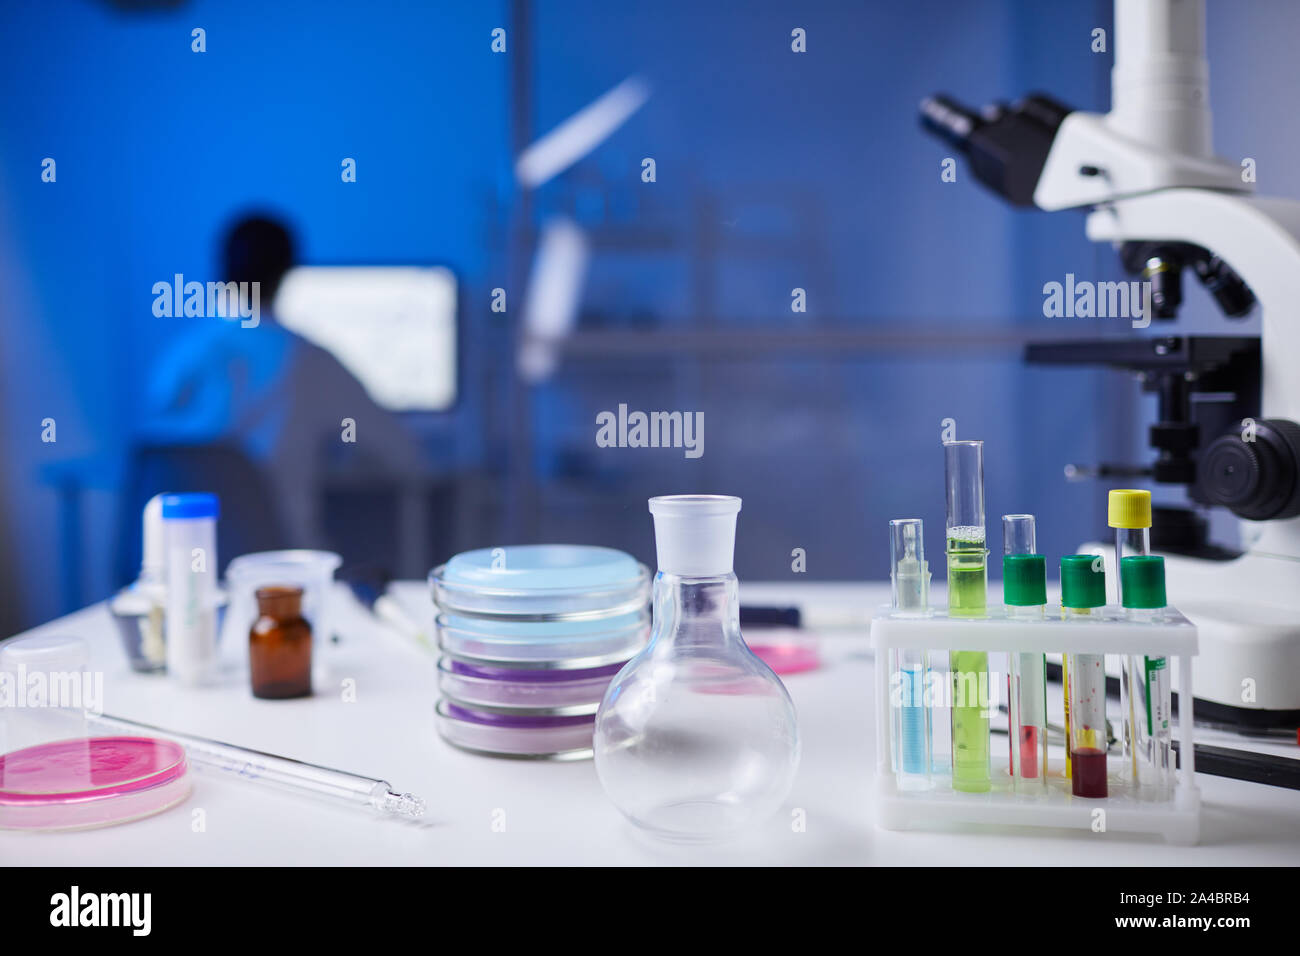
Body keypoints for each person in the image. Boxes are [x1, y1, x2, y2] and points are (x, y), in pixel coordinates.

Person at [141, 214, 423, 549]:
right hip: (277, 574)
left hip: (180, 568)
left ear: (221, 271)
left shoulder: (180, 356)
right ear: (288, 274)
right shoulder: (310, 360)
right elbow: (405, 455)